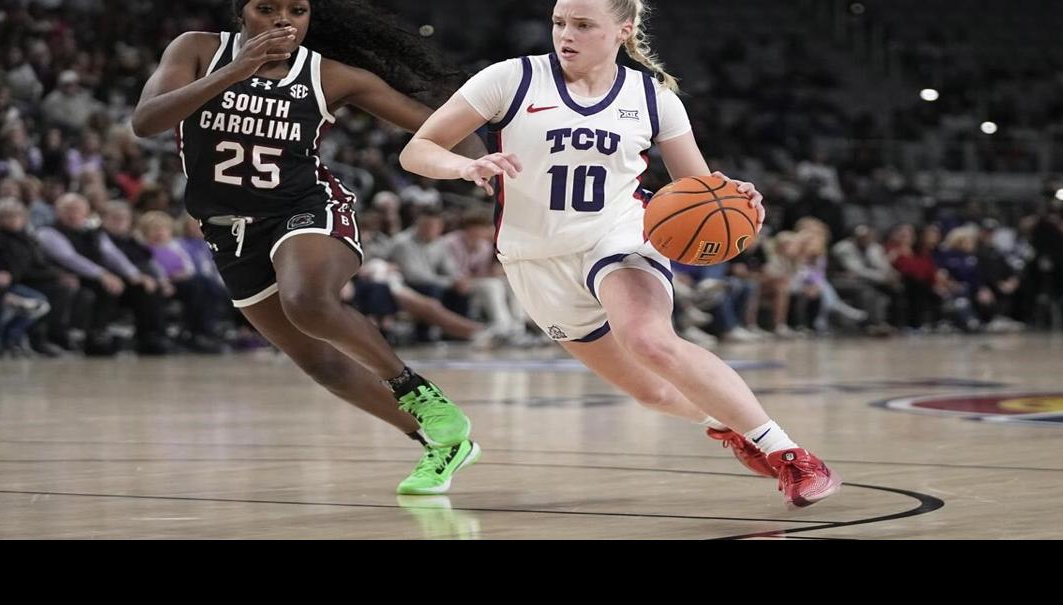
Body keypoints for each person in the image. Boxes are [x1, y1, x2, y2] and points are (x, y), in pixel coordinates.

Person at [400, 0, 840, 507]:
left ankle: (790, 455)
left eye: (584, 25)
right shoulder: (510, 79)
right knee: (651, 392)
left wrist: (734, 199)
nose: (566, 34)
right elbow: (418, 149)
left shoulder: (652, 97)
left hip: (620, 234)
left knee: (650, 340)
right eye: (560, 23)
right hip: (534, 258)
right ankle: (731, 423)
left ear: (622, 31)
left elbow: (697, 186)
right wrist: (461, 167)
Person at [132, 0, 488, 495]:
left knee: (309, 302)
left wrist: (479, 167)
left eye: (297, 10)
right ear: (242, 12)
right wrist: (238, 70)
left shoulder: (331, 76)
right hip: (228, 230)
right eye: (267, 8)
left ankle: (416, 391)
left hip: (305, 208)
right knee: (321, 363)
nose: (283, 20)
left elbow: (446, 133)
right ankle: (439, 441)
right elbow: (146, 121)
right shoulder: (197, 50)